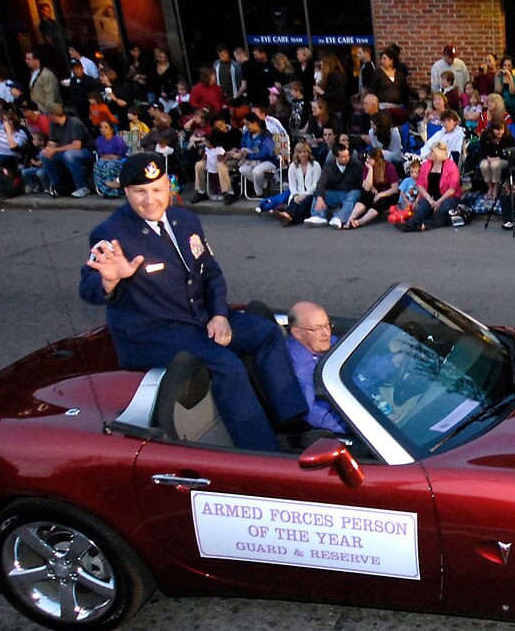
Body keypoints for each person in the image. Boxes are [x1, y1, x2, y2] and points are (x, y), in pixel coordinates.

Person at [80, 152, 308, 451]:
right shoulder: (111, 233)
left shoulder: (184, 219)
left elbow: (210, 272)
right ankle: (261, 450)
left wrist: (219, 315)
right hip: (152, 333)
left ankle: (294, 422)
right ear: (126, 192)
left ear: (168, 186)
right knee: (226, 363)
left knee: (265, 333)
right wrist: (109, 280)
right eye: (140, 192)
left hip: (199, 320)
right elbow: (88, 289)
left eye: (157, 190)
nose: (150, 200)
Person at [285, 301, 346, 433]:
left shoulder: (322, 343)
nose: (326, 333)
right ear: (297, 333)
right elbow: (319, 416)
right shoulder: (298, 372)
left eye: (327, 325)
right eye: (317, 328)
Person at [398, 139, 460, 231]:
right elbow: (420, 185)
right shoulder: (426, 165)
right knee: (421, 210)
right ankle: (410, 224)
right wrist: (430, 200)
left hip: (447, 197)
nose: (429, 153)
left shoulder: (451, 166)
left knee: (441, 212)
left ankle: (424, 225)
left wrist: (438, 202)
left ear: (438, 153)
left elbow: (452, 189)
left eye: (432, 151)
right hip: (430, 196)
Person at [306, 142, 363, 228]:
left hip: (349, 191)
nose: (347, 158)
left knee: (354, 195)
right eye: (343, 157)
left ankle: (339, 218)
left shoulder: (356, 164)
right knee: (318, 195)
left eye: (347, 155)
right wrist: (320, 197)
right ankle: (319, 216)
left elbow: (360, 183)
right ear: (336, 157)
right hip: (334, 192)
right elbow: (321, 182)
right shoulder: (329, 165)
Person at [42, 103, 94, 197]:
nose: (47, 117)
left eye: (48, 115)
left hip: (86, 151)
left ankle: (82, 187)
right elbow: (53, 141)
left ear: (53, 114)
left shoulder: (74, 123)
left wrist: (55, 149)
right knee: (43, 154)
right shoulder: (53, 124)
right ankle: (57, 185)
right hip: (64, 150)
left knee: (69, 155)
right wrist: (49, 148)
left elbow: (76, 145)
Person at [348, 147, 400, 228]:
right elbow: (367, 187)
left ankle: (361, 221)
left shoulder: (389, 167)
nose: (367, 160)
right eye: (367, 157)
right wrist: (370, 170)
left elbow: (395, 188)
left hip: (388, 193)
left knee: (381, 202)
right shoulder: (367, 167)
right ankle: (350, 219)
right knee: (366, 195)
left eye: (370, 158)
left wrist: (380, 195)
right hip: (374, 191)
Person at [478, 117, 515, 200]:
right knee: (483, 165)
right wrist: (488, 157)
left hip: (504, 159)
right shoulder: (485, 136)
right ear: (492, 130)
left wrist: (497, 158)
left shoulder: (508, 137)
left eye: (502, 129)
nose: (500, 132)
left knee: (495, 165)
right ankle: (490, 187)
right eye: (497, 130)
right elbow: (482, 150)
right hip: (489, 158)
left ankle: (496, 187)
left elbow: (512, 152)